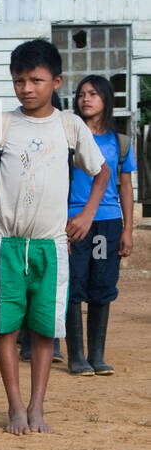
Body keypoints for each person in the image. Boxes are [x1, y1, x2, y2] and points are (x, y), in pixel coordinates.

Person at [0, 39, 109, 434]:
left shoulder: (69, 126)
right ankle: (14, 406)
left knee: (43, 330)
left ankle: (37, 405)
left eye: (36, 80)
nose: (26, 88)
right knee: (6, 328)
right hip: (6, 244)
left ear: (56, 81)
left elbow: (102, 171)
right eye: (19, 80)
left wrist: (88, 213)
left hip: (52, 246)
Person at [65, 74, 135, 376]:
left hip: (107, 223)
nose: (86, 99)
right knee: (74, 285)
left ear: (106, 99)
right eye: (81, 94)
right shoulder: (68, 138)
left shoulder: (119, 143)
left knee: (101, 284)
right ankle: (76, 356)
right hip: (73, 221)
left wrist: (128, 230)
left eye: (93, 94)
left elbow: (126, 187)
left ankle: (97, 354)